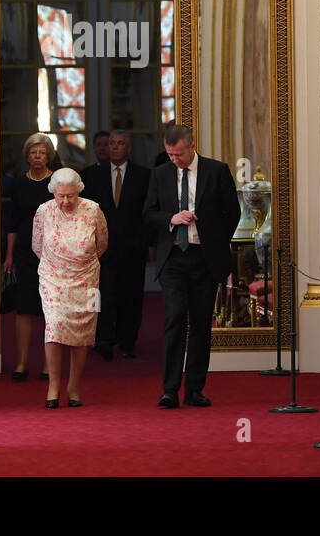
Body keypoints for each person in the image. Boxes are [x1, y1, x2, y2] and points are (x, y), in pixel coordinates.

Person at [143, 124, 240, 408]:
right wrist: (171, 219)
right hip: (173, 257)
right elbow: (148, 213)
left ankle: (195, 388)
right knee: (174, 318)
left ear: (192, 145)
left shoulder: (216, 170)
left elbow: (232, 212)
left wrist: (212, 235)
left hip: (204, 257)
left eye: (180, 154)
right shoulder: (160, 174)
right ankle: (170, 389)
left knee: (200, 323)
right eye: (170, 154)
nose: (175, 160)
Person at [32, 168, 108, 407]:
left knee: (83, 333)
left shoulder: (93, 209)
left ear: (79, 192)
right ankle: (53, 384)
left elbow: (102, 244)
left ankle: (74, 387)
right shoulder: (43, 211)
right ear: (53, 192)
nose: (65, 201)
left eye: (71, 196)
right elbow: (37, 246)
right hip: (53, 279)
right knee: (53, 326)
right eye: (60, 196)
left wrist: (81, 264)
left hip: (86, 279)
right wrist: (58, 267)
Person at [82, 131, 152, 360]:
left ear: (128, 148)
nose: (114, 147)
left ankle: (128, 341)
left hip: (133, 248)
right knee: (102, 295)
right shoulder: (92, 176)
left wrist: (144, 242)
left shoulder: (144, 176)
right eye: (111, 143)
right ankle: (103, 338)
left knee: (131, 297)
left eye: (120, 143)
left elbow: (148, 211)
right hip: (101, 250)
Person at [3, 133, 56, 380]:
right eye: (34, 153)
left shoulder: (57, 183)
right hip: (24, 252)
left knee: (50, 309)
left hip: (53, 253)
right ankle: (22, 363)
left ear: (49, 157)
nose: (38, 157)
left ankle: (49, 365)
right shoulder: (19, 184)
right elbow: (13, 222)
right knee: (24, 308)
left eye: (42, 153)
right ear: (27, 156)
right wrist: (9, 256)